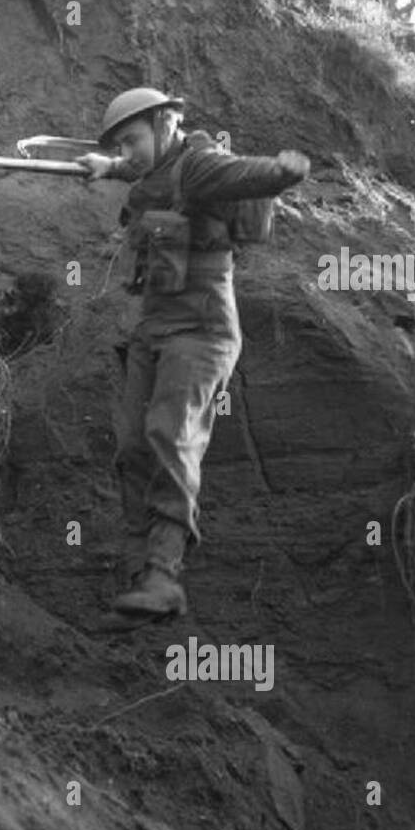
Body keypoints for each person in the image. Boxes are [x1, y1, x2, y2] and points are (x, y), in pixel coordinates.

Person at [75, 87, 310, 626]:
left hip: (201, 328)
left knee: (168, 434)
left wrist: (282, 172)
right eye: (121, 145)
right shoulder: (158, 164)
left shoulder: (200, 166)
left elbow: (242, 176)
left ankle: (164, 575)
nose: (128, 152)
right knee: (132, 446)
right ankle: (140, 580)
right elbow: (140, 169)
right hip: (155, 326)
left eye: (132, 140)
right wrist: (107, 166)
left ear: (164, 125)